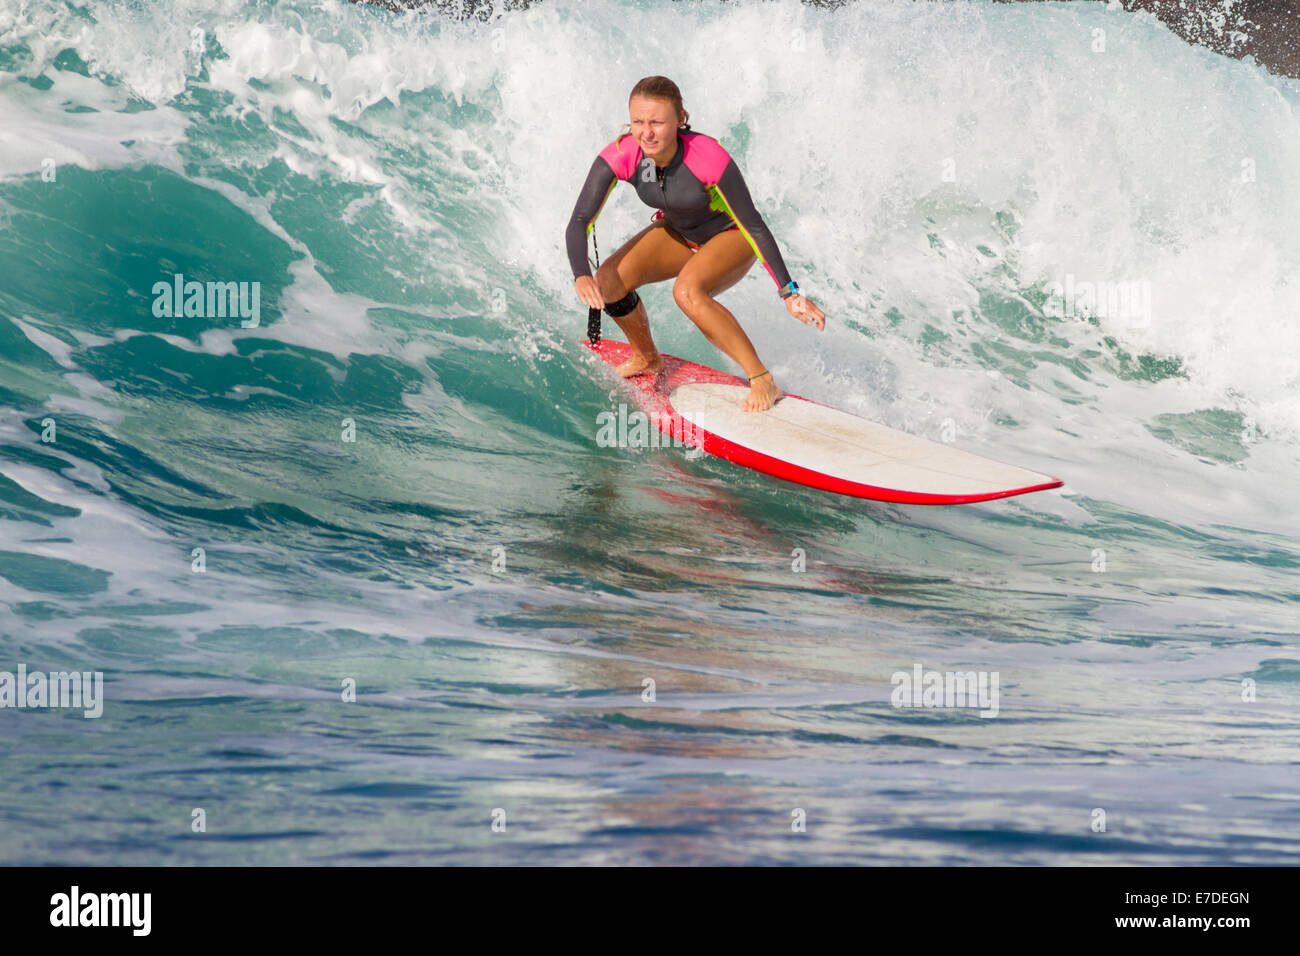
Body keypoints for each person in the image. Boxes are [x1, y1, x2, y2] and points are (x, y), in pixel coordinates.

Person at [565, 75, 825, 412]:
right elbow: (580, 220)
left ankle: (762, 379)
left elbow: (754, 226)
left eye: (657, 122)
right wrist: (580, 273)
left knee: (686, 292)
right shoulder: (624, 153)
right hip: (679, 233)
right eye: (638, 122)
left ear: (680, 119)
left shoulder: (706, 156)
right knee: (608, 280)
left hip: (730, 237)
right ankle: (646, 357)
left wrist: (789, 293)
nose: (647, 132)